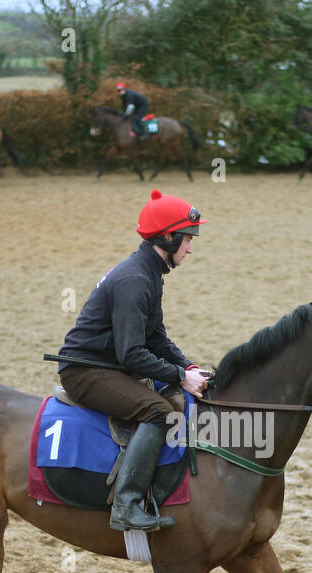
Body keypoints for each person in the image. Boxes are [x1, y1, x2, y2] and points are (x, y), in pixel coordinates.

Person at [57, 190, 210, 533]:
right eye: (188, 238)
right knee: (158, 411)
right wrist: (179, 376)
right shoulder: (136, 279)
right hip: (86, 372)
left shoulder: (149, 272)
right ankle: (125, 506)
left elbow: (155, 338)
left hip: (109, 365)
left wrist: (186, 367)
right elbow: (132, 354)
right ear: (167, 237)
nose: (191, 247)